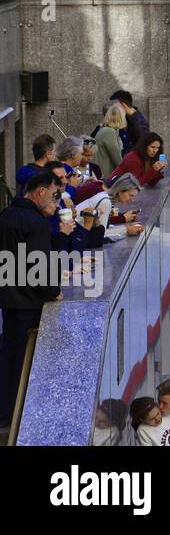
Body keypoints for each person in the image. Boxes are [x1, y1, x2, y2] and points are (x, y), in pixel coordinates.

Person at [0, 171, 69, 431]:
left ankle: (5, 413)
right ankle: (20, 418)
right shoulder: (35, 223)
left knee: (9, 357)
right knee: (26, 363)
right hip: (29, 305)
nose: (56, 201)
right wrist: (53, 291)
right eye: (53, 195)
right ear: (40, 191)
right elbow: (39, 267)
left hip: (8, 301)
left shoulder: (6, 215)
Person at [92, 104, 127, 177]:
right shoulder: (109, 132)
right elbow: (116, 157)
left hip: (103, 173)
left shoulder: (106, 129)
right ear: (120, 118)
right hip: (105, 174)